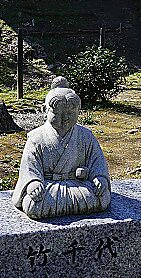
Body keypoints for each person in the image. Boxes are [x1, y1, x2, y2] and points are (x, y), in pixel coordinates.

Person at [12, 76, 111, 219]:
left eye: (70, 114)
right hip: (49, 188)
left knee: (102, 198)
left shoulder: (85, 136)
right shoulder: (36, 138)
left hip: (79, 186)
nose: (64, 119)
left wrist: (99, 178)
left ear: (78, 111)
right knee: (34, 205)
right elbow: (29, 168)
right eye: (58, 114)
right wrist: (33, 183)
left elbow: (97, 163)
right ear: (45, 110)